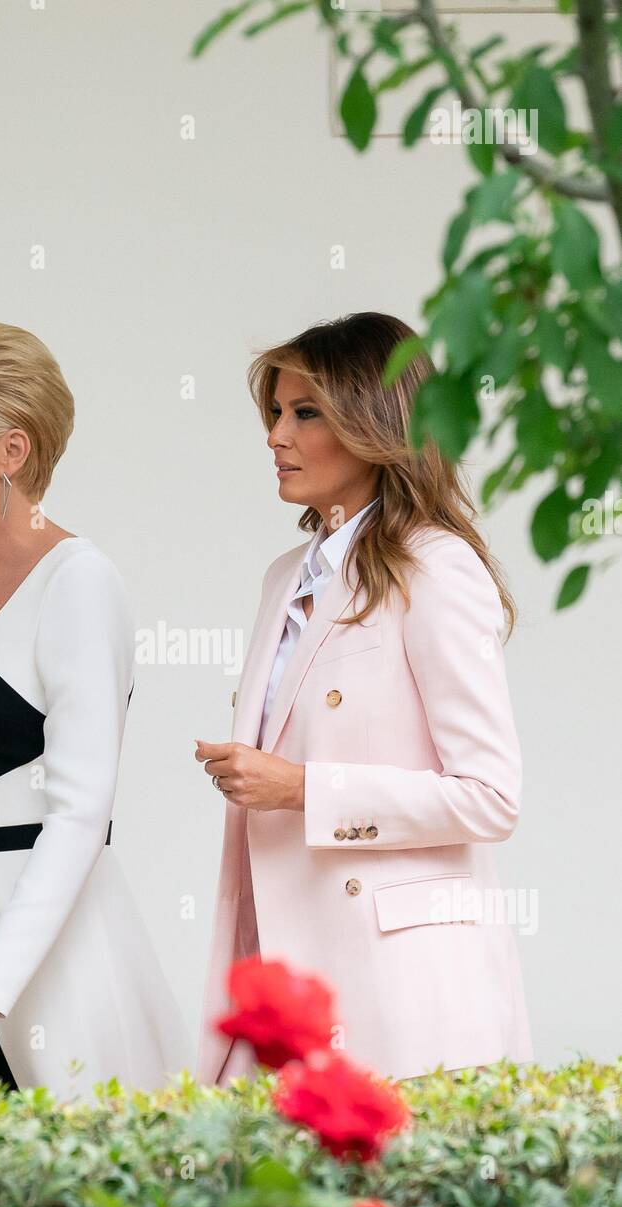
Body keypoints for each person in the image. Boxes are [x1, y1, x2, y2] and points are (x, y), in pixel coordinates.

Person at [196, 313, 533, 1084]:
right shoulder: (285, 576)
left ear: (375, 422)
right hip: (288, 977)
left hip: (403, 988)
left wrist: (305, 789)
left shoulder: (437, 568)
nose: (276, 435)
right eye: (275, 412)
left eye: (304, 412)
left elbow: (490, 797)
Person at [0, 320, 188, 1102]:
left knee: (68, 1203)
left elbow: (82, 811)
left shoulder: (77, 581)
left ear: (12, 451)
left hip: (47, 958)